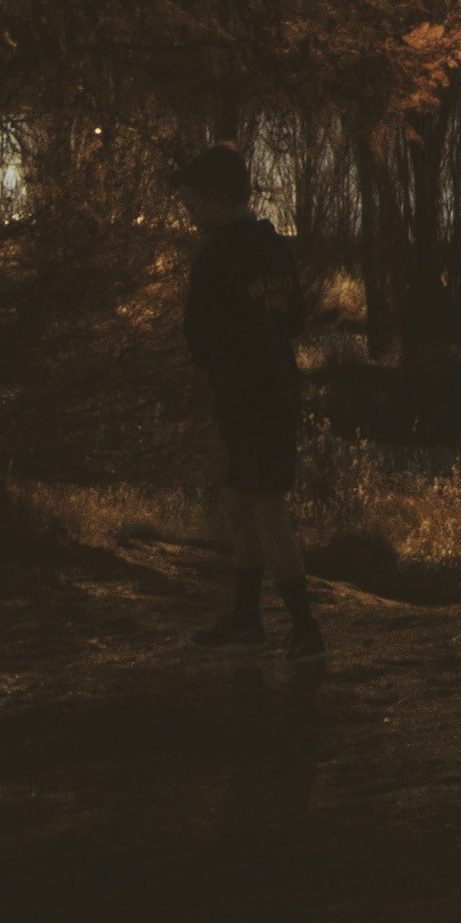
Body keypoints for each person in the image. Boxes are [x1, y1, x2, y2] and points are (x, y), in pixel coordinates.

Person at [175, 143, 323, 662]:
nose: (190, 217)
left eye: (192, 205)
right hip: (278, 390)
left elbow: (200, 337)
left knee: (264, 505)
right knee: (243, 500)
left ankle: (305, 628)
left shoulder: (216, 258)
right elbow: (295, 321)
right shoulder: (273, 246)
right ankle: (247, 618)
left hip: (245, 397)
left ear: (216, 198)